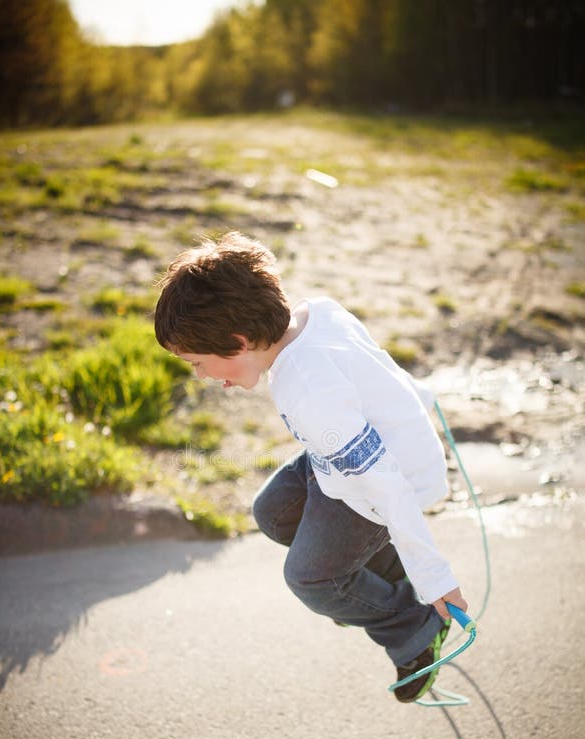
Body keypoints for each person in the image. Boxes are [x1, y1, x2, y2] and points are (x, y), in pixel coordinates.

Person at [154, 231, 468, 702]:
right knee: (274, 513)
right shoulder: (316, 311)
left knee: (312, 578)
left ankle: (415, 625)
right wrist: (414, 397)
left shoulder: (307, 391)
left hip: (385, 479)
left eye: (199, 363)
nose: (203, 378)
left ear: (239, 342)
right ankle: (383, 568)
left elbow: (385, 485)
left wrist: (434, 577)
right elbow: (373, 360)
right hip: (349, 454)